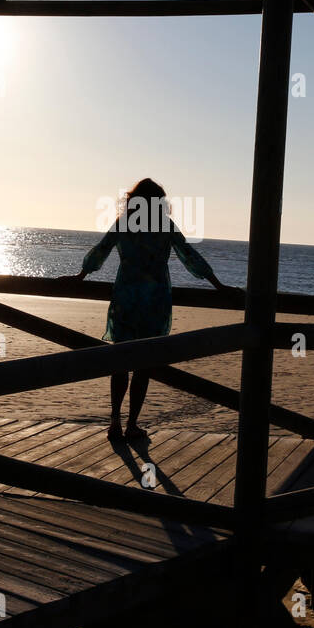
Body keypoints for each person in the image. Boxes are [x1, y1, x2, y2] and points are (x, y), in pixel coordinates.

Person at [70, 178, 233, 441]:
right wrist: (218, 285)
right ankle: (132, 424)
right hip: (154, 300)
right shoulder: (164, 226)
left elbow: (101, 250)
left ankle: (114, 422)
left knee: (120, 362)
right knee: (143, 364)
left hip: (126, 297)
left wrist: (80, 276)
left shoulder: (125, 224)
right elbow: (188, 255)